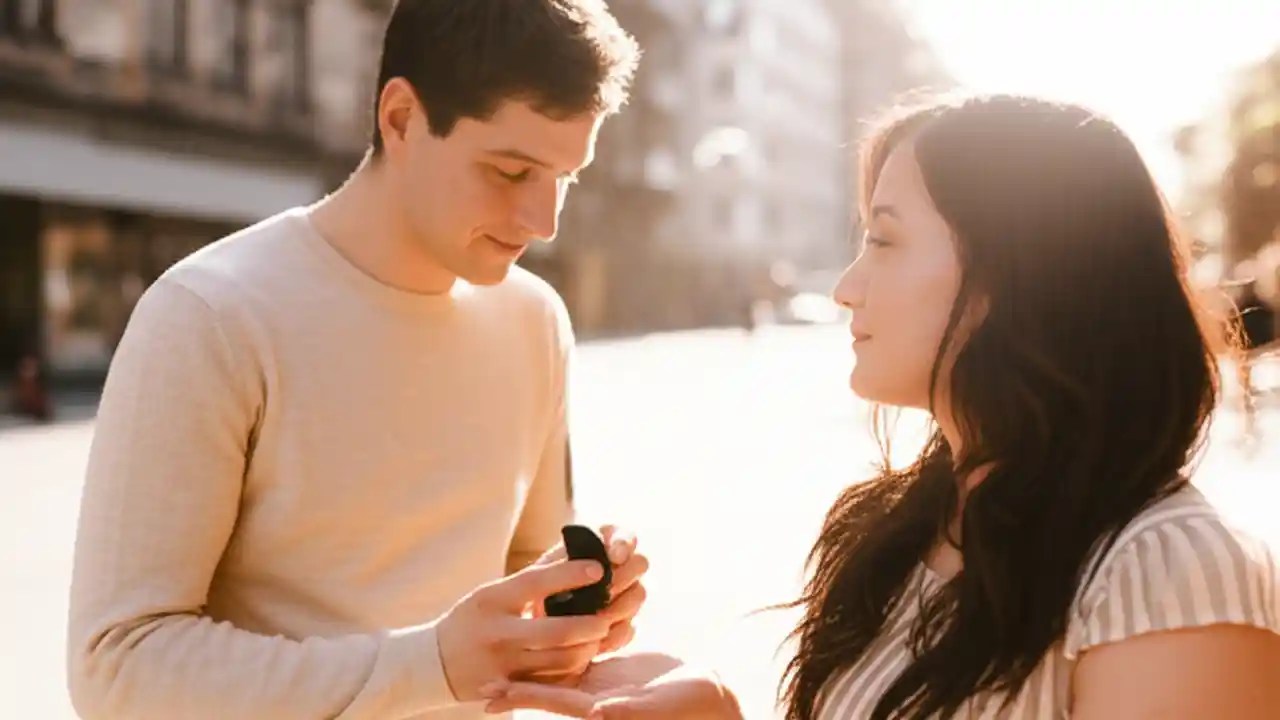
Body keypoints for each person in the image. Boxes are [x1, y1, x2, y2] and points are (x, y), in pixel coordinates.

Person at [480, 94, 1280, 719]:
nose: (845, 286)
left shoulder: (1169, 570)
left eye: (886, 240)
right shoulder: (903, 530)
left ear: (1020, 276)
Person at [66, 2, 648, 719]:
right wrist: (427, 664)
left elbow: (517, 580)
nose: (543, 220)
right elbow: (116, 667)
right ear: (401, 118)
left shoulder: (533, 320)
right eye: (510, 170)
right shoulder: (210, 316)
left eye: (566, 176)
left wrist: (576, 608)